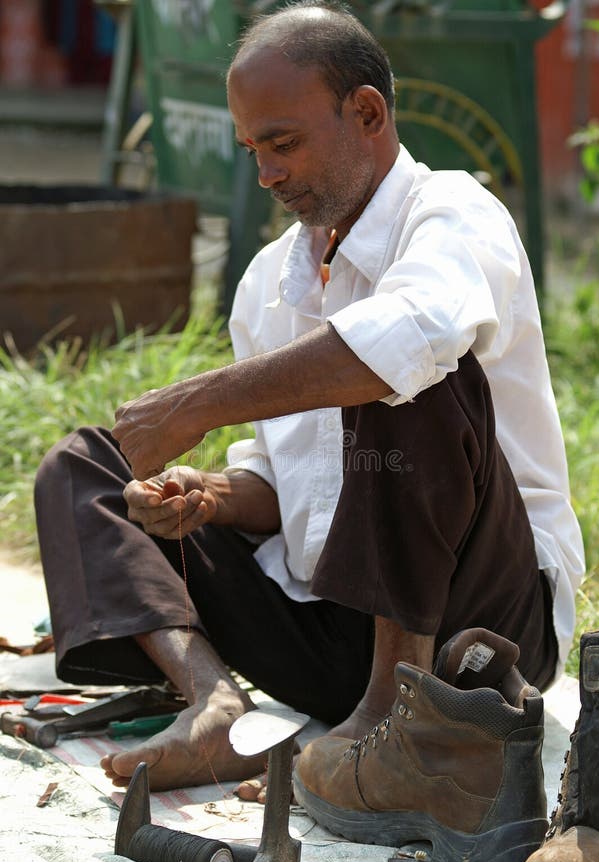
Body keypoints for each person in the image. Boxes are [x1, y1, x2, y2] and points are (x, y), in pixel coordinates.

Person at [35, 0, 584, 797]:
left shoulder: (453, 215)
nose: (265, 173)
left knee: (404, 365)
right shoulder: (268, 282)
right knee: (84, 466)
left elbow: (407, 341)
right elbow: (282, 487)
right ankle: (215, 703)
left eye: (283, 143)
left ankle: (393, 732)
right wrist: (211, 498)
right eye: (252, 149)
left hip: (475, 634)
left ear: (366, 114)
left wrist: (195, 404)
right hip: (325, 640)